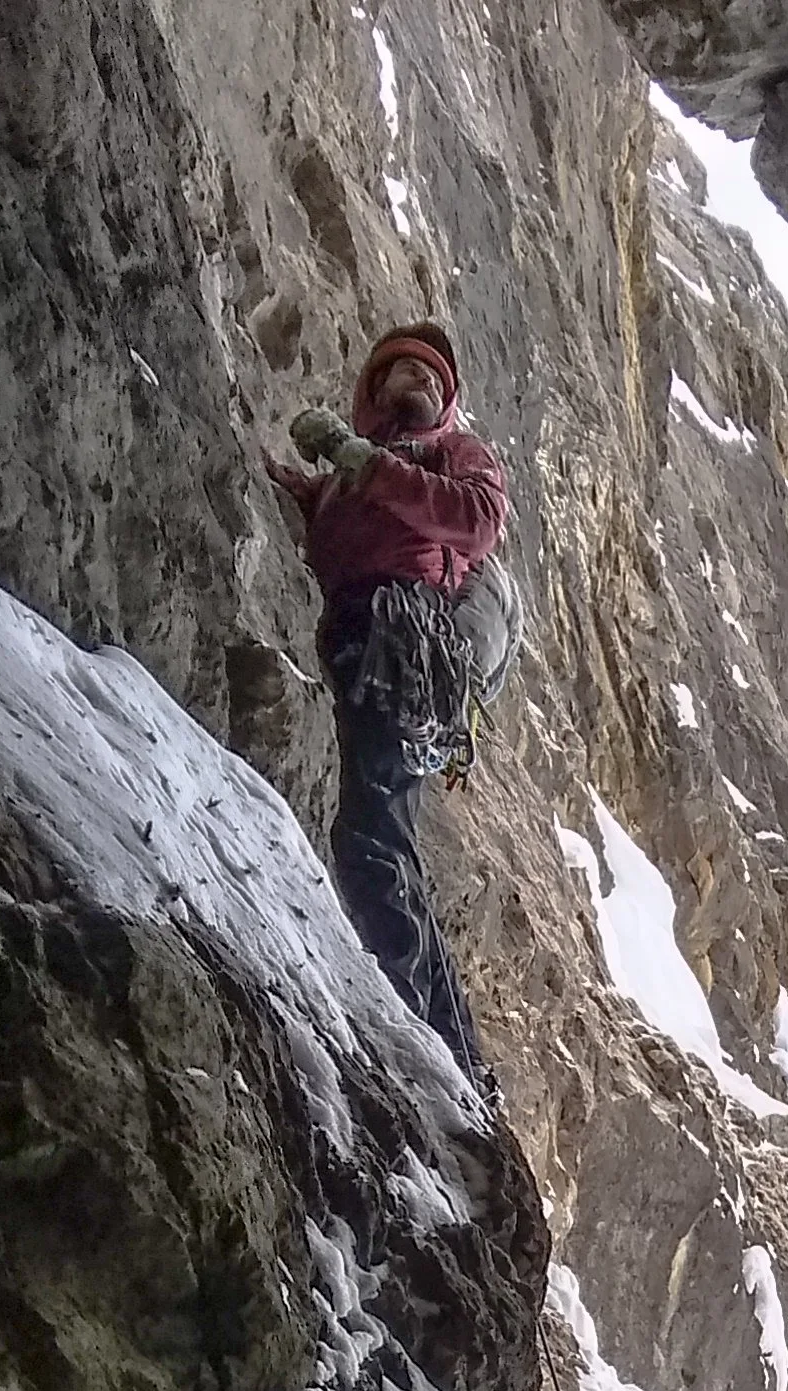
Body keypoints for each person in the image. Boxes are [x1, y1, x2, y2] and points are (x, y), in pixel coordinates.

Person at [268, 322, 509, 1083]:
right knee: (386, 831)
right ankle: (459, 1059)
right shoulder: (353, 474)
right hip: (367, 631)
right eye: (404, 370)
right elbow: (342, 527)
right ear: (374, 391)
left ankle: (417, 1038)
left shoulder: (450, 455)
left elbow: (477, 520)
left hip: (405, 636)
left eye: (435, 379)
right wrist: (305, 487)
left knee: (374, 830)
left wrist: (361, 461)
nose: (423, 382)